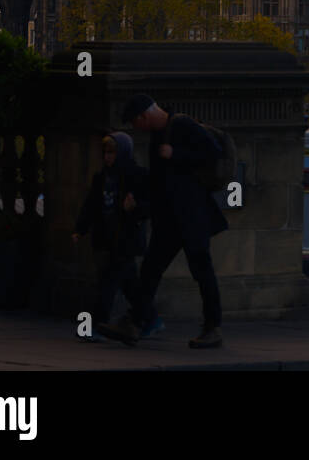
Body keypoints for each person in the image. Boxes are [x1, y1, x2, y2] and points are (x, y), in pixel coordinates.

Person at [99, 95, 229, 349]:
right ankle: (136, 323)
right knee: (150, 270)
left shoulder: (181, 125)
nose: (137, 129)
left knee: (202, 272)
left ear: (143, 117)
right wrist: (139, 199)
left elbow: (214, 152)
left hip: (191, 216)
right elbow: (157, 180)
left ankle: (213, 328)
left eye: (136, 123)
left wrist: (176, 154)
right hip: (169, 219)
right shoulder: (157, 138)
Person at [73, 132, 157, 340]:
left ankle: (96, 324)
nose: (108, 157)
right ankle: (151, 318)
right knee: (129, 284)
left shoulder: (137, 175)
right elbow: (92, 205)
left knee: (108, 281)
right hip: (108, 237)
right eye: (105, 153)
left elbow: (151, 204)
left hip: (126, 237)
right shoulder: (101, 177)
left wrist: (134, 207)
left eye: (112, 152)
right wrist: (80, 228)